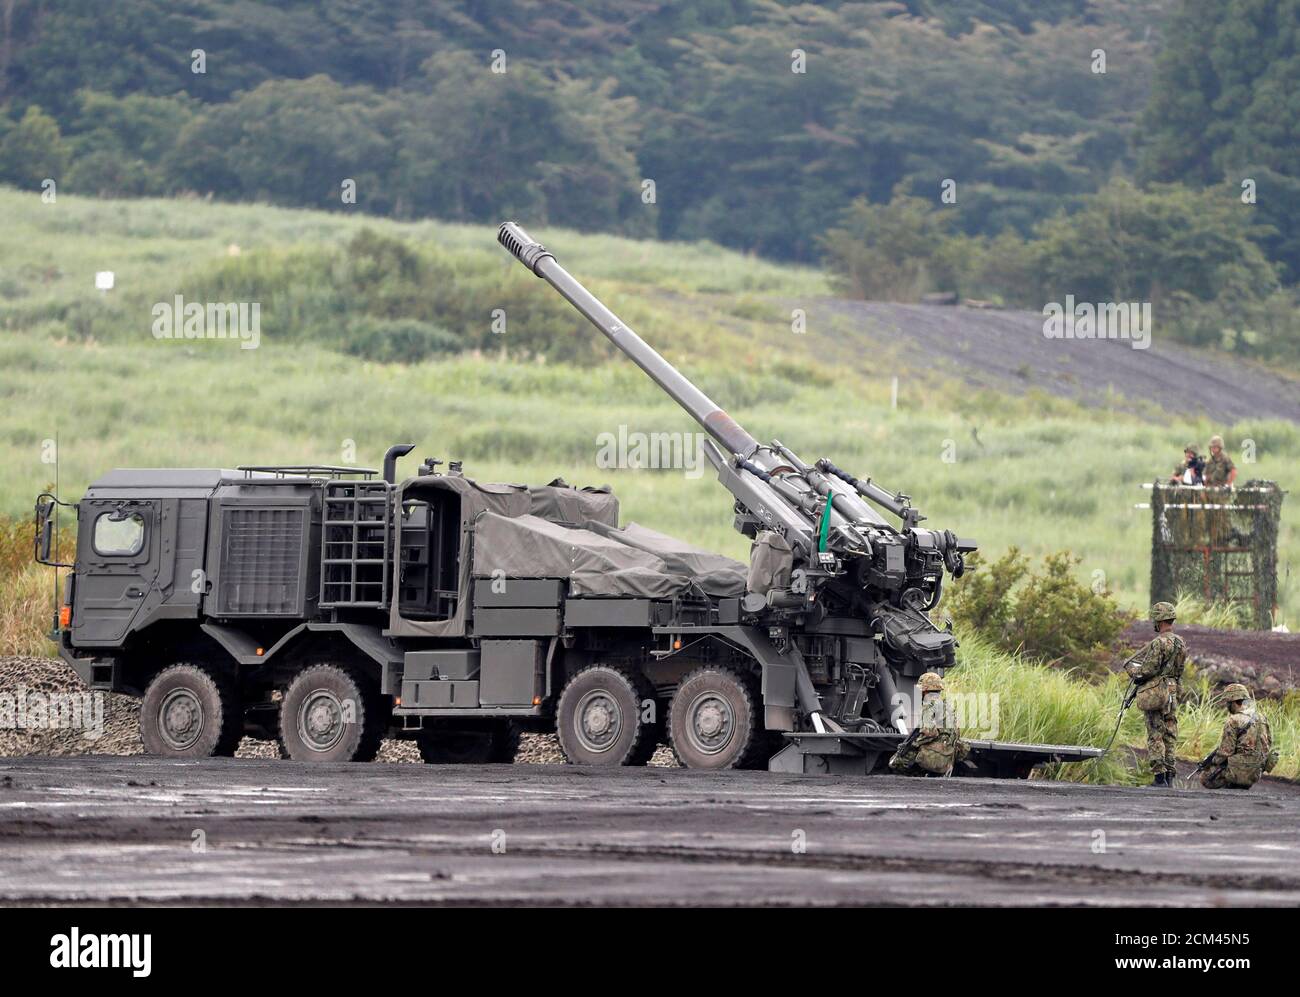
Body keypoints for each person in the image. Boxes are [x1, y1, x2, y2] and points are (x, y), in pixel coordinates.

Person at [1125, 602, 1186, 787]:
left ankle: (1159, 778)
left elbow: (1149, 669)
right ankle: (1169, 777)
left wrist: (1135, 673)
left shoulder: (1159, 643)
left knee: (1155, 733)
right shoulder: (1180, 642)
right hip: (1173, 691)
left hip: (1157, 693)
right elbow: (1180, 669)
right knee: (1170, 733)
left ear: (1158, 621)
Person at [888, 672, 969, 776]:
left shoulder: (929, 705)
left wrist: (913, 744)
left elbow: (930, 732)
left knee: (897, 762)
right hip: (948, 757)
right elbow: (956, 733)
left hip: (934, 757)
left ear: (924, 690)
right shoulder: (947, 706)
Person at [1199, 683, 1276, 790]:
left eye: (1227, 703)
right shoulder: (1262, 718)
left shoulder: (1233, 720)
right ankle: (1243, 783)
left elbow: (1226, 752)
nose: (1226, 706)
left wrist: (1211, 762)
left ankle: (1231, 784)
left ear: (1233, 702)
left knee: (1205, 777)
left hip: (1237, 771)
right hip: (1255, 773)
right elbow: (1268, 744)